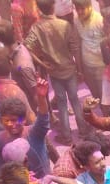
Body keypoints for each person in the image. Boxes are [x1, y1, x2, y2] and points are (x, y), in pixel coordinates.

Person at [24, 0, 86, 144]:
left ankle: (66, 136)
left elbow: (27, 46)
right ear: (53, 7)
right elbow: (75, 49)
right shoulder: (65, 25)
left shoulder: (37, 27)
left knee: (62, 103)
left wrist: (42, 63)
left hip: (54, 72)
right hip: (69, 68)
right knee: (75, 100)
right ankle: (83, 130)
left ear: (39, 10)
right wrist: (80, 69)